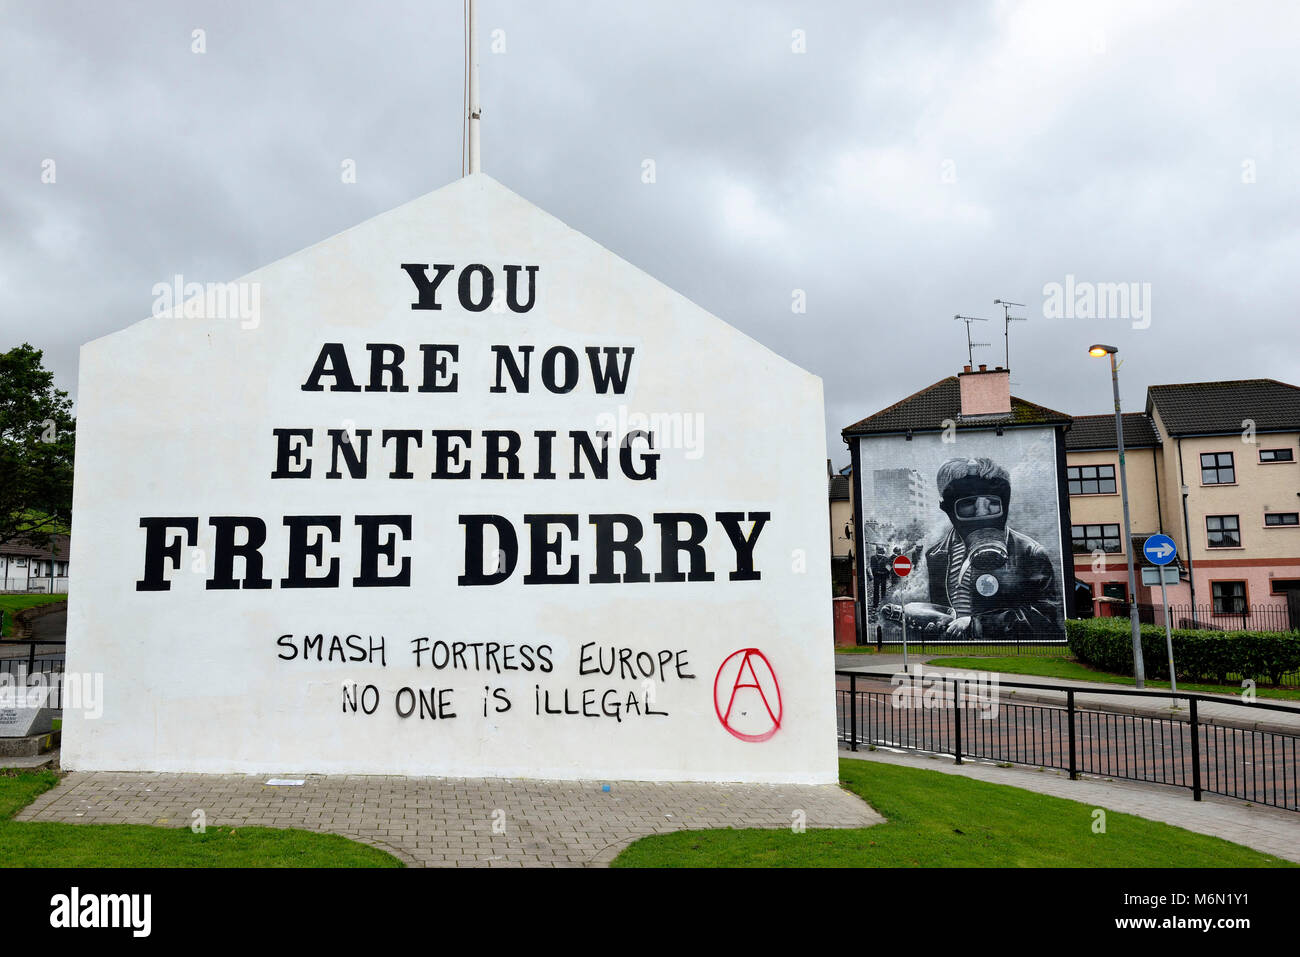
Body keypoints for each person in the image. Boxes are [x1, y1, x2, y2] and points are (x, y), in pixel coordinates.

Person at [923, 456, 1063, 642]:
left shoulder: (1029, 553)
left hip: (1004, 653)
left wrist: (978, 625)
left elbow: (1045, 617)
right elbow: (939, 610)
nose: (982, 512)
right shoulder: (936, 556)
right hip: (951, 653)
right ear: (947, 508)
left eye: (992, 502)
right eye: (968, 503)